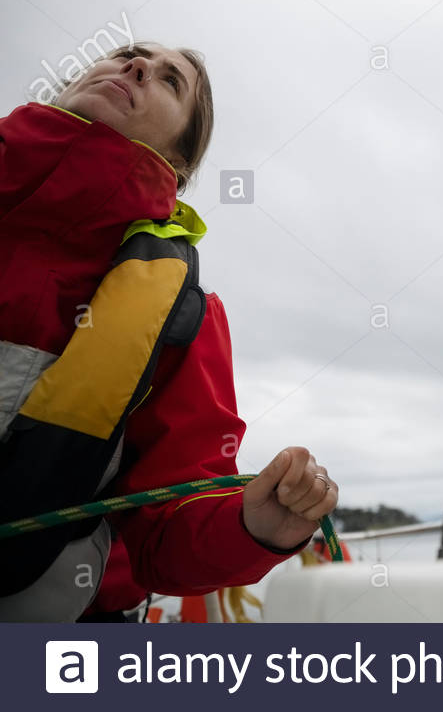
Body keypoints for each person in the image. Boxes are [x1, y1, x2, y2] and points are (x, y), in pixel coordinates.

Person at [0, 41, 339, 621]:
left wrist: (255, 526)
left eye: (169, 81)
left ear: (179, 165)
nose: (136, 68)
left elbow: (163, 546)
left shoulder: (181, 316)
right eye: (127, 54)